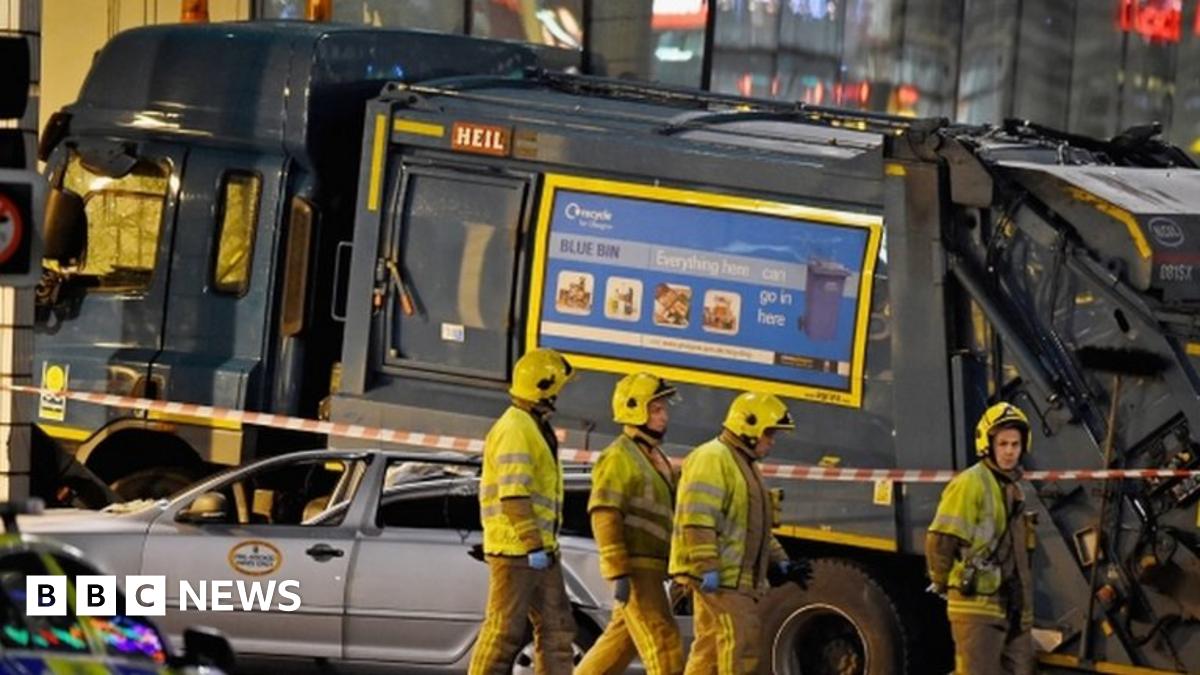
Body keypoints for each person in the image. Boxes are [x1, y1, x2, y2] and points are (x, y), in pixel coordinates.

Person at [670, 391, 810, 675]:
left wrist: (781, 562)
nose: (772, 441)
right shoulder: (713, 458)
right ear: (749, 426)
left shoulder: (744, 465)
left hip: (728, 577)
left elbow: (755, 526)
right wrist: (707, 567)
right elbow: (697, 518)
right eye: (769, 433)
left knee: (710, 652)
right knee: (742, 646)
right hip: (723, 579)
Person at [469, 348, 577, 675]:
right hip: (517, 549)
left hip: (539, 549)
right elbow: (513, 495)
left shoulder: (532, 425)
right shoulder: (516, 428)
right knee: (503, 632)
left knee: (558, 628)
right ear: (543, 387)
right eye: (558, 387)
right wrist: (533, 545)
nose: (560, 394)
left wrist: (541, 547)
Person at [576, 372, 684, 675]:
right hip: (636, 570)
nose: (664, 416)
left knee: (618, 645)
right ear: (634, 408)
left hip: (652, 567)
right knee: (665, 645)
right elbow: (605, 514)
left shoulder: (654, 456)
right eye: (656, 409)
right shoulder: (618, 456)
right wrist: (618, 570)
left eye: (664, 408)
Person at [926, 402, 1037, 675]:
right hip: (977, 606)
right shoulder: (970, 483)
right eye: (1003, 444)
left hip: (1012, 607)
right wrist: (943, 582)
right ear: (988, 445)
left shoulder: (1013, 487)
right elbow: (940, 540)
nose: (1010, 451)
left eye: (1015, 444)